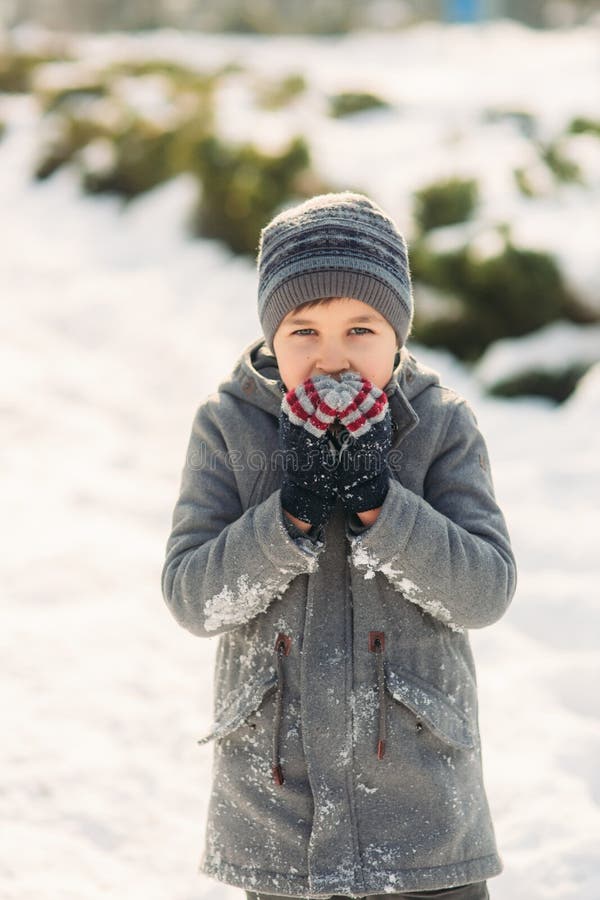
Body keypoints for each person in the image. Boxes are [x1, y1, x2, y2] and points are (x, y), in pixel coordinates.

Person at [161, 192, 517, 900]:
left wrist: (381, 505)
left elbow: (484, 589)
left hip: (420, 817)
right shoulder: (229, 428)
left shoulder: (439, 426)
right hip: (277, 814)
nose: (333, 359)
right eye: (304, 331)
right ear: (270, 335)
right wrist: (286, 518)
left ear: (398, 334)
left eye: (361, 329)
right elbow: (193, 597)